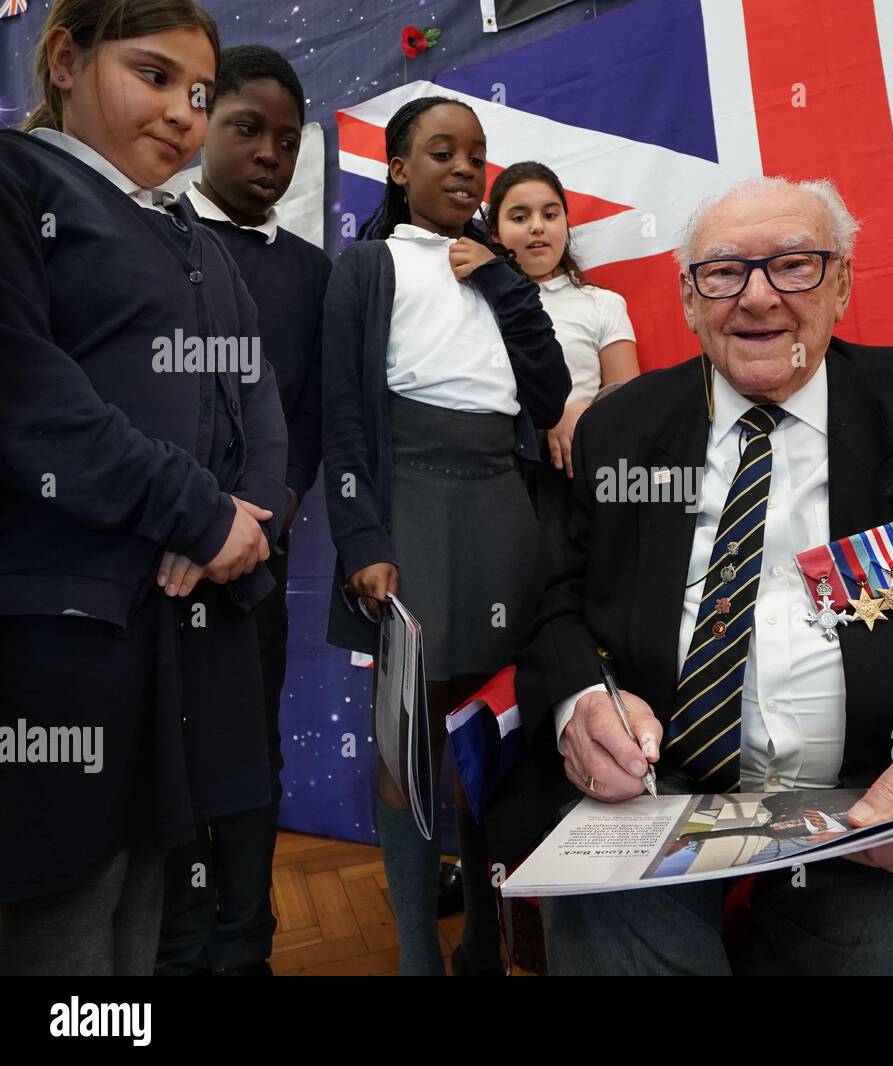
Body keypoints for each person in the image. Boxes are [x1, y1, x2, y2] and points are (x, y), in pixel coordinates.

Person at [497, 176, 893, 975]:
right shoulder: (620, 431)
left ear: (842, 283)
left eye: (794, 265)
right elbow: (557, 599)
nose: (757, 298)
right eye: (724, 272)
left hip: (883, 799)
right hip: (663, 797)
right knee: (605, 940)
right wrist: (581, 700)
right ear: (689, 298)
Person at [0, 0, 288, 975]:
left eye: (199, 93)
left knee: (151, 909)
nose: (181, 112)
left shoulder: (199, 241)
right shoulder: (14, 182)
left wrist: (237, 516)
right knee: (64, 922)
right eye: (154, 76)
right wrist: (194, 510)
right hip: (59, 632)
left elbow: (258, 398)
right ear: (66, 59)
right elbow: (27, 390)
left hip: (184, 633)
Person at [321, 97, 569, 975]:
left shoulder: (500, 274)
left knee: (491, 730)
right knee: (407, 734)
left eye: (478, 155)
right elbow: (344, 415)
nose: (465, 168)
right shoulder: (365, 267)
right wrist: (360, 539)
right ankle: (419, 954)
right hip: (412, 507)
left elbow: (548, 394)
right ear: (398, 170)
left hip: (500, 507)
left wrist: (501, 277)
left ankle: (482, 948)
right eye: (441, 153)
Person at [155, 44, 332, 977]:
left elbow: (304, 412)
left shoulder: (310, 271)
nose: (269, 153)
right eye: (246, 129)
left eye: (288, 139)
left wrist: (270, 511)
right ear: (202, 127)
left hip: (253, 561)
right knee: (167, 756)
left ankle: (245, 943)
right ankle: (172, 951)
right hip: (150, 557)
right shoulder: (155, 239)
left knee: (247, 751)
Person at [485, 161, 639, 571]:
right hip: (502, 475)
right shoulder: (478, 303)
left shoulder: (602, 303)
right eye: (520, 217)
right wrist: (545, 410)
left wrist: (578, 409)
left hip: (578, 476)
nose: (537, 227)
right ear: (495, 233)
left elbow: (630, 397)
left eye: (550, 215)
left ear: (566, 225)